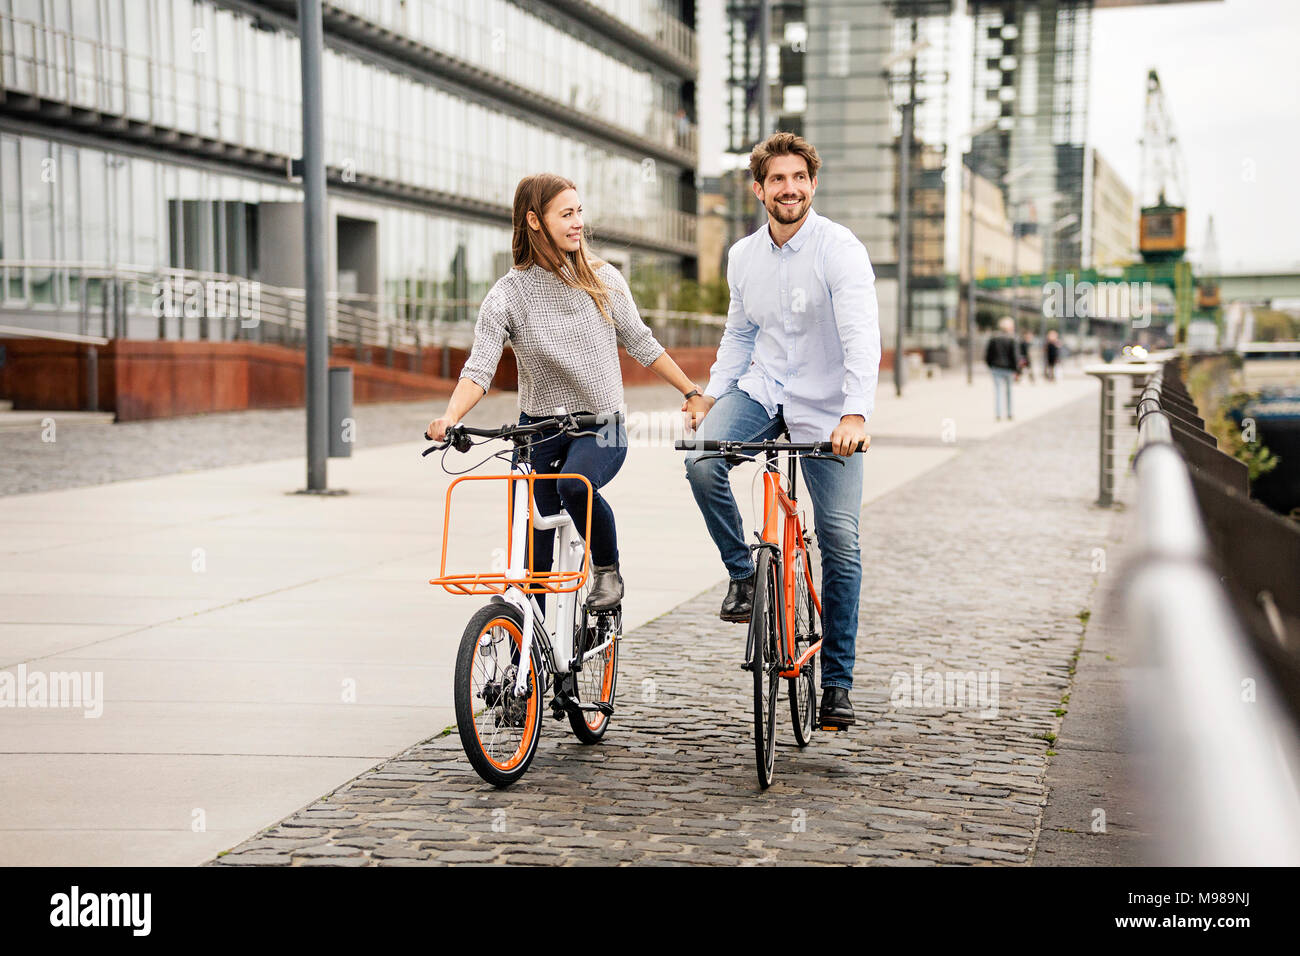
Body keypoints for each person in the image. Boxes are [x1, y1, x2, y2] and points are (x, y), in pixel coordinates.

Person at [426, 173, 704, 612]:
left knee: (574, 486)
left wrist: (691, 391)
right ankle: (530, 664)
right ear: (535, 221)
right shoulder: (506, 295)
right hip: (536, 430)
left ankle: (607, 571)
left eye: (579, 213)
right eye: (566, 214)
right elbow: (478, 369)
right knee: (532, 554)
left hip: (600, 425)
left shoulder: (603, 280)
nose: (578, 223)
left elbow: (641, 342)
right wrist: (450, 416)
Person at [681, 132, 880, 730]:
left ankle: (837, 685)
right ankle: (744, 577)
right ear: (759, 189)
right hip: (764, 389)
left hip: (828, 409)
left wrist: (855, 413)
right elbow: (739, 335)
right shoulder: (743, 256)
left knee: (840, 540)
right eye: (777, 179)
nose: (789, 188)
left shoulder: (839, 249)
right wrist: (713, 395)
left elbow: (860, 336)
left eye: (799, 178)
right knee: (701, 459)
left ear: (812, 185)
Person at [986, 316, 1018, 421]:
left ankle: (998, 414)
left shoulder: (993, 338)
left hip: (996, 368)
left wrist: (991, 365)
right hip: (1008, 369)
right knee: (1009, 391)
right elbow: (1014, 356)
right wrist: (1016, 370)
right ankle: (1009, 413)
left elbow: (988, 355)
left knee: (998, 391)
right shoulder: (1011, 339)